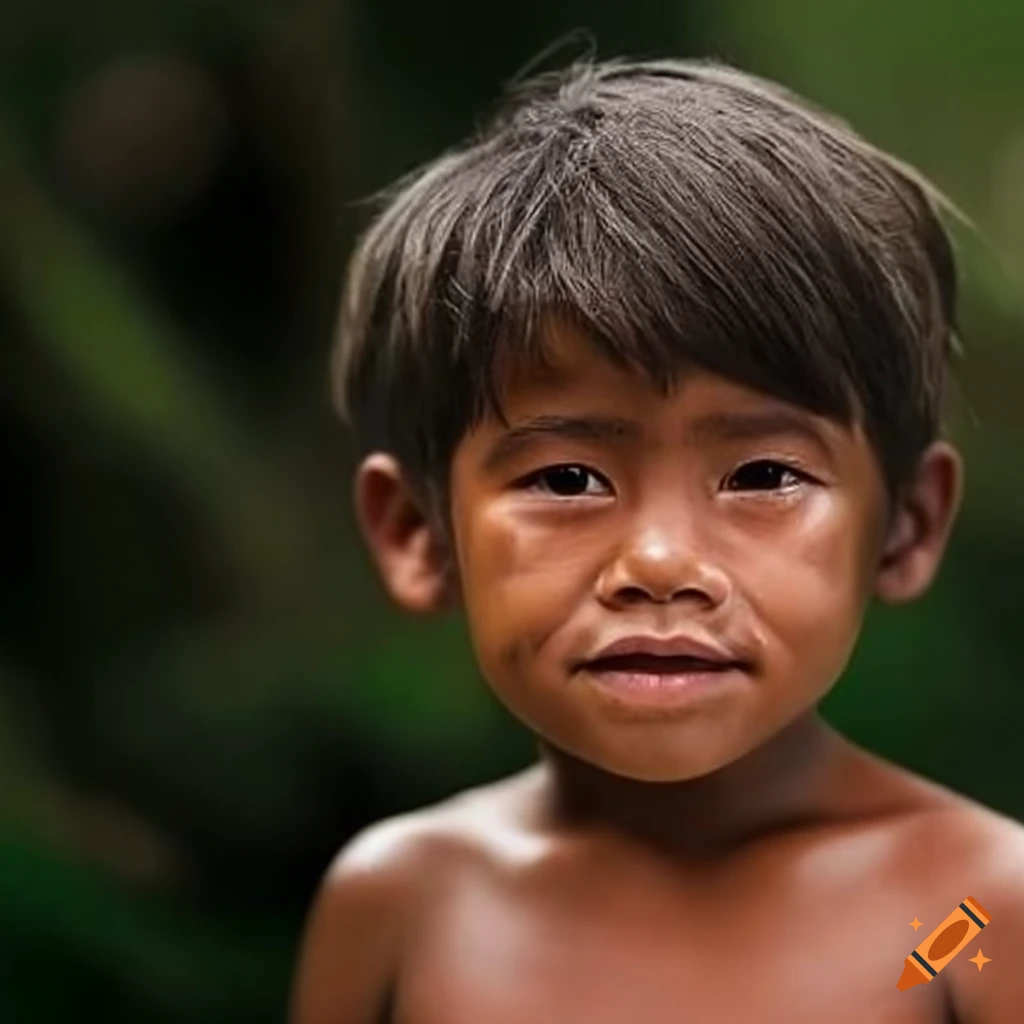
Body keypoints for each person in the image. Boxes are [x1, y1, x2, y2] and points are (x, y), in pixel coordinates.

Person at [290, 56, 1024, 1023]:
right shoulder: (407, 904)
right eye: (566, 479)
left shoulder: (965, 909)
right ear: (419, 535)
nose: (661, 564)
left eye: (763, 476)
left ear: (906, 526)